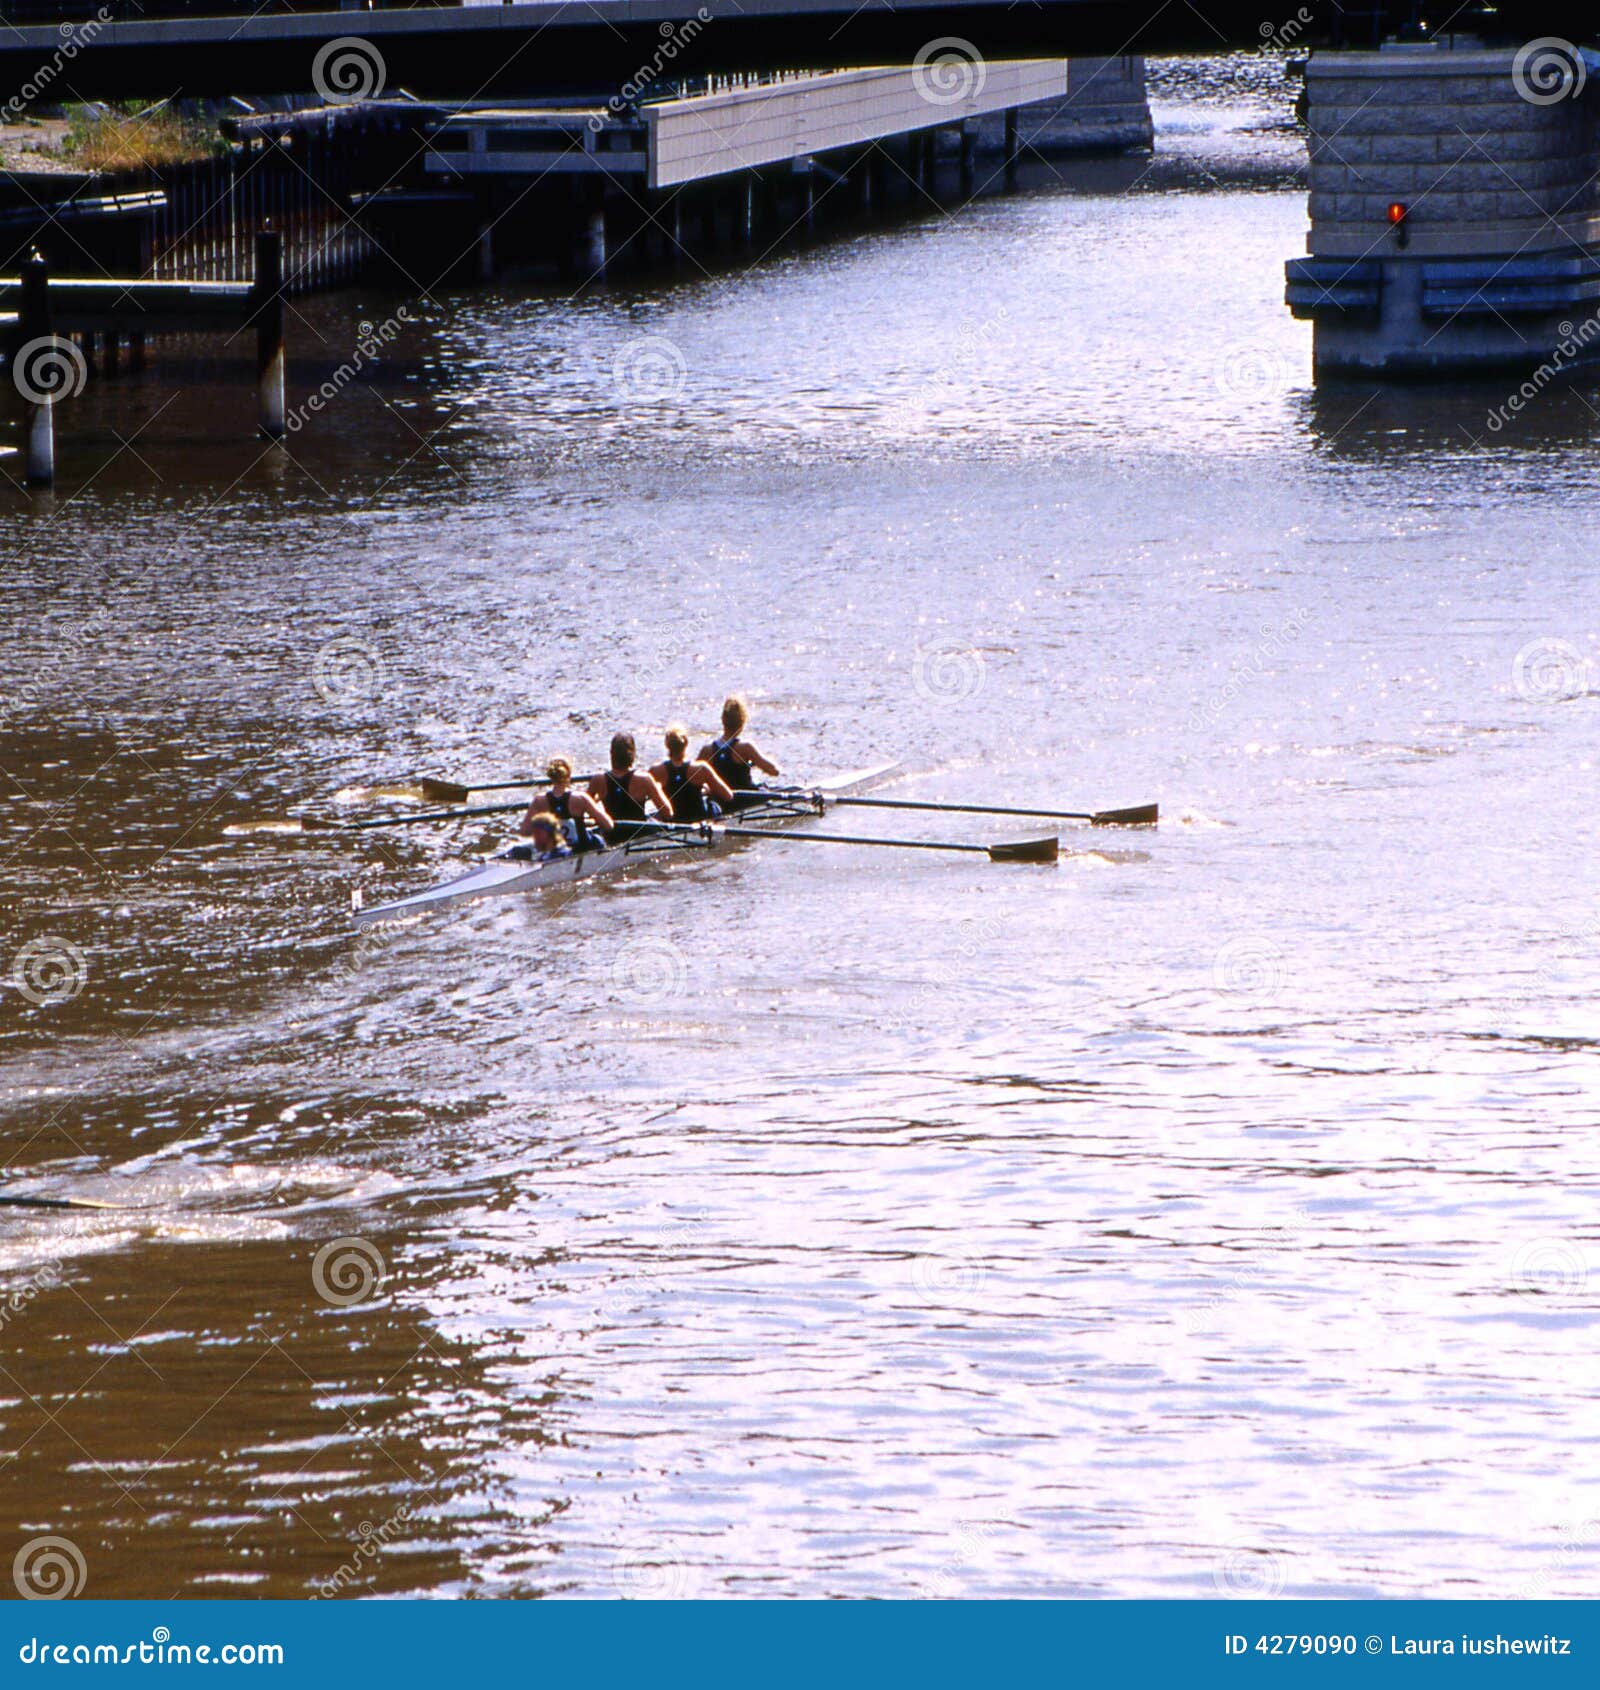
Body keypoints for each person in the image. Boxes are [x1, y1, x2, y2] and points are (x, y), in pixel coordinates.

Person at [588, 732, 673, 841]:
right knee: (655, 820)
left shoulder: (597, 779)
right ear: (632, 754)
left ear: (611, 754)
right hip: (639, 836)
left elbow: (582, 808)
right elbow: (668, 813)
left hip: (612, 837)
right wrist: (658, 788)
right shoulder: (644, 779)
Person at [699, 695, 781, 806]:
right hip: (745, 801)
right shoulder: (745, 748)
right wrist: (756, 763)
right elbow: (774, 771)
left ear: (723, 720)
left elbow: (691, 780)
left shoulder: (707, 751)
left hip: (721, 802)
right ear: (742, 722)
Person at [520, 757, 610, 850]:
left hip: (555, 851)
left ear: (551, 776)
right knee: (598, 840)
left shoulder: (539, 800)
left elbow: (525, 831)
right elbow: (608, 825)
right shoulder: (581, 798)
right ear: (569, 775)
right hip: (580, 849)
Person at [650, 725, 734, 823]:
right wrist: (708, 790)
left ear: (667, 745)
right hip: (698, 820)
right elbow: (728, 796)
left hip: (673, 822)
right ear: (686, 743)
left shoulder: (655, 770)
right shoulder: (701, 768)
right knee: (714, 806)